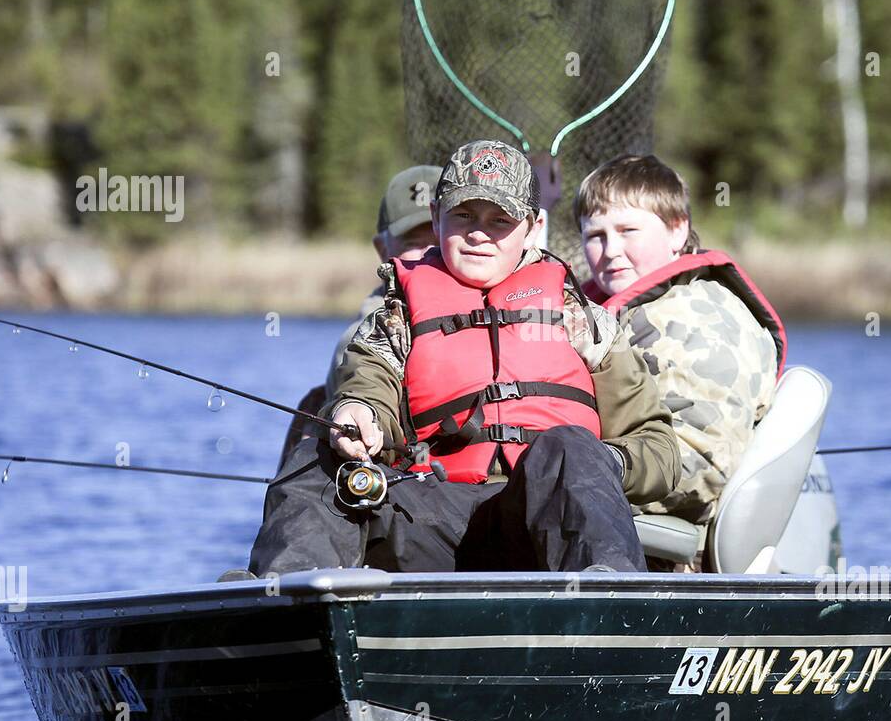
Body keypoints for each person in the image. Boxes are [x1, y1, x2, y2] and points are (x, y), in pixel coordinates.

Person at [249, 140, 680, 575]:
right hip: (429, 518)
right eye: (463, 215)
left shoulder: (584, 321)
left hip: (540, 527)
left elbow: (659, 450)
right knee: (322, 449)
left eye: (500, 220)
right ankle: (288, 596)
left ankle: (607, 604)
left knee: (569, 447)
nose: (478, 233)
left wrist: (600, 462)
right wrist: (358, 411)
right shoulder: (393, 319)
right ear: (437, 217)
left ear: (531, 228)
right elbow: (367, 386)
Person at [576, 154, 786, 556]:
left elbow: (697, 470)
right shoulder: (646, 307)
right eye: (595, 235)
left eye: (628, 230)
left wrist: (566, 472)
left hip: (663, 557)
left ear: (677, 230)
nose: (611, 250)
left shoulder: (689, 318)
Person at [276, 165, 441, 469]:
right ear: (382, 249)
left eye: (438, 238)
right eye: (413, 244)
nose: (428, 254)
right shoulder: (366, 330)